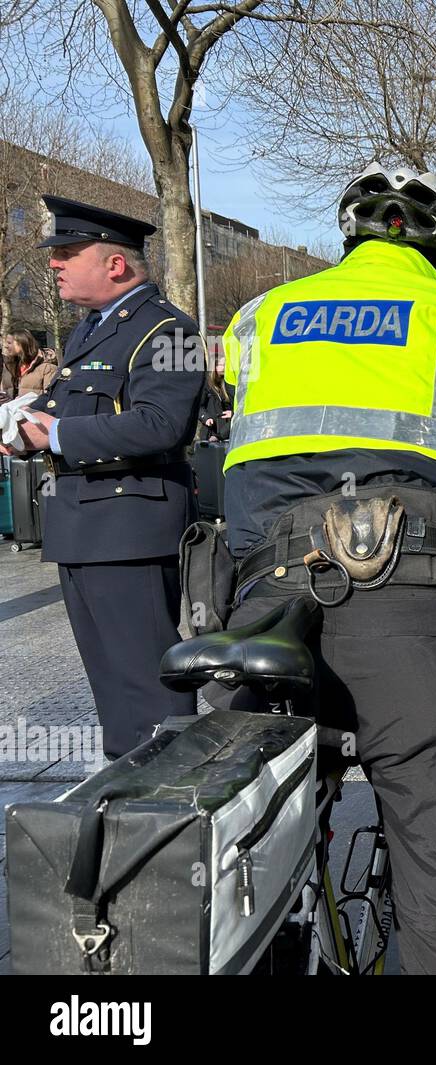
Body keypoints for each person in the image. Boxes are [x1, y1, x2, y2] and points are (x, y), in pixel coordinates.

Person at [217, 162, 436, 975]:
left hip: (263, 608)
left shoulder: (256, 317)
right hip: (419, 619)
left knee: (248, 841)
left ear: (347, 240)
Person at [0, 196, 205, 759]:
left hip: (130, 530)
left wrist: (58, 435)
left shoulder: (168, 331)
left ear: (115, 265)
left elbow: (161, 424)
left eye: (67, 252)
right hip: (87, 526)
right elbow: (70, 401)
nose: (53, 263)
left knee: (147, 692)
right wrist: (24, 419)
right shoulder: (93, 329)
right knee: (114, 691)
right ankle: (128, 797)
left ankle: (163, 801)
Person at [199, 348, 233, 442]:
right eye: (222, 365)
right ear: (214, 367)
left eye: (226, 365)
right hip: (210, 431)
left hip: (227, 431)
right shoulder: (206, 384)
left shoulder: (229, 384)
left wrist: (232, 413)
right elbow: (199, 407)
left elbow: (236, 406)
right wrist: (206, 418)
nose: (225, 368)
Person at [10, 331, 57, 397]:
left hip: (34, 406)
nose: (6, 346)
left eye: (10, 343)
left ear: (23, 344)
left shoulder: (47, 367)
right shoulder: (13, 365)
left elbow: (50, 396)